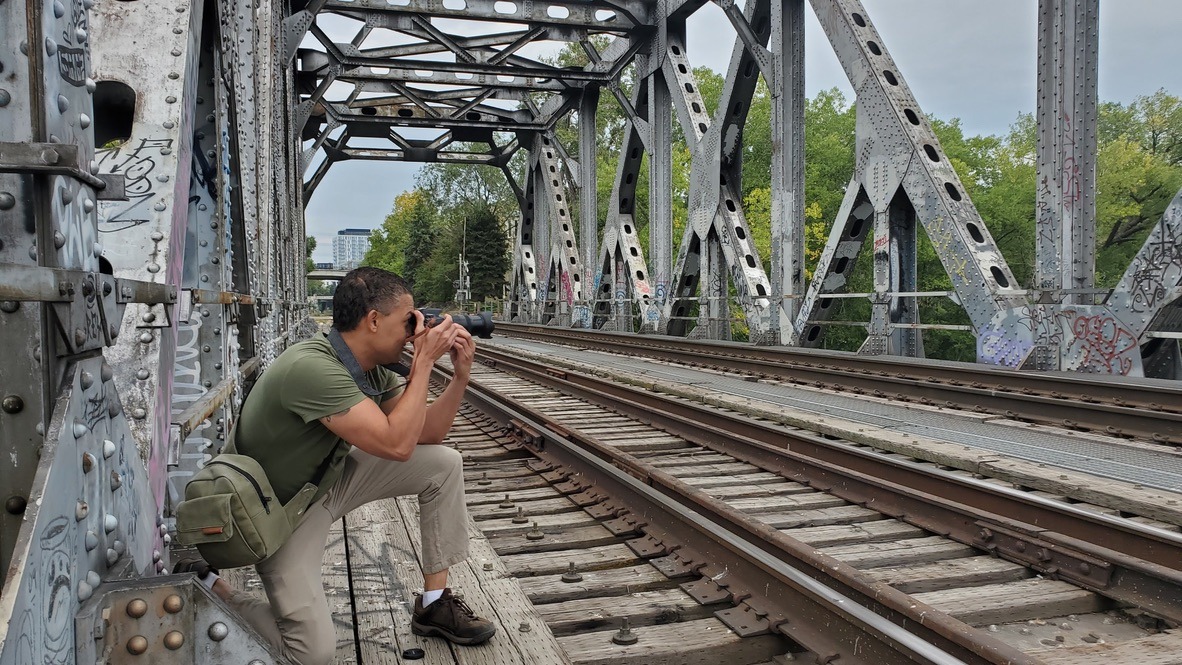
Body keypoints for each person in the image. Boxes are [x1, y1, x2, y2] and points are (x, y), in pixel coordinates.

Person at [175, 267, 495, 665]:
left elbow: (425, 435)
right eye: (406, 320)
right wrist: (425, 363)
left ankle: (433, 604)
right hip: (275, 515)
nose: (414, 331)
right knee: (311, 653)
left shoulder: (372, 366)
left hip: (327, 484)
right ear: (373, 321)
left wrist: (460, 376)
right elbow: (395, 445)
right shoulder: (313, 368)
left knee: (443, 464)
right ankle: (216, 590)